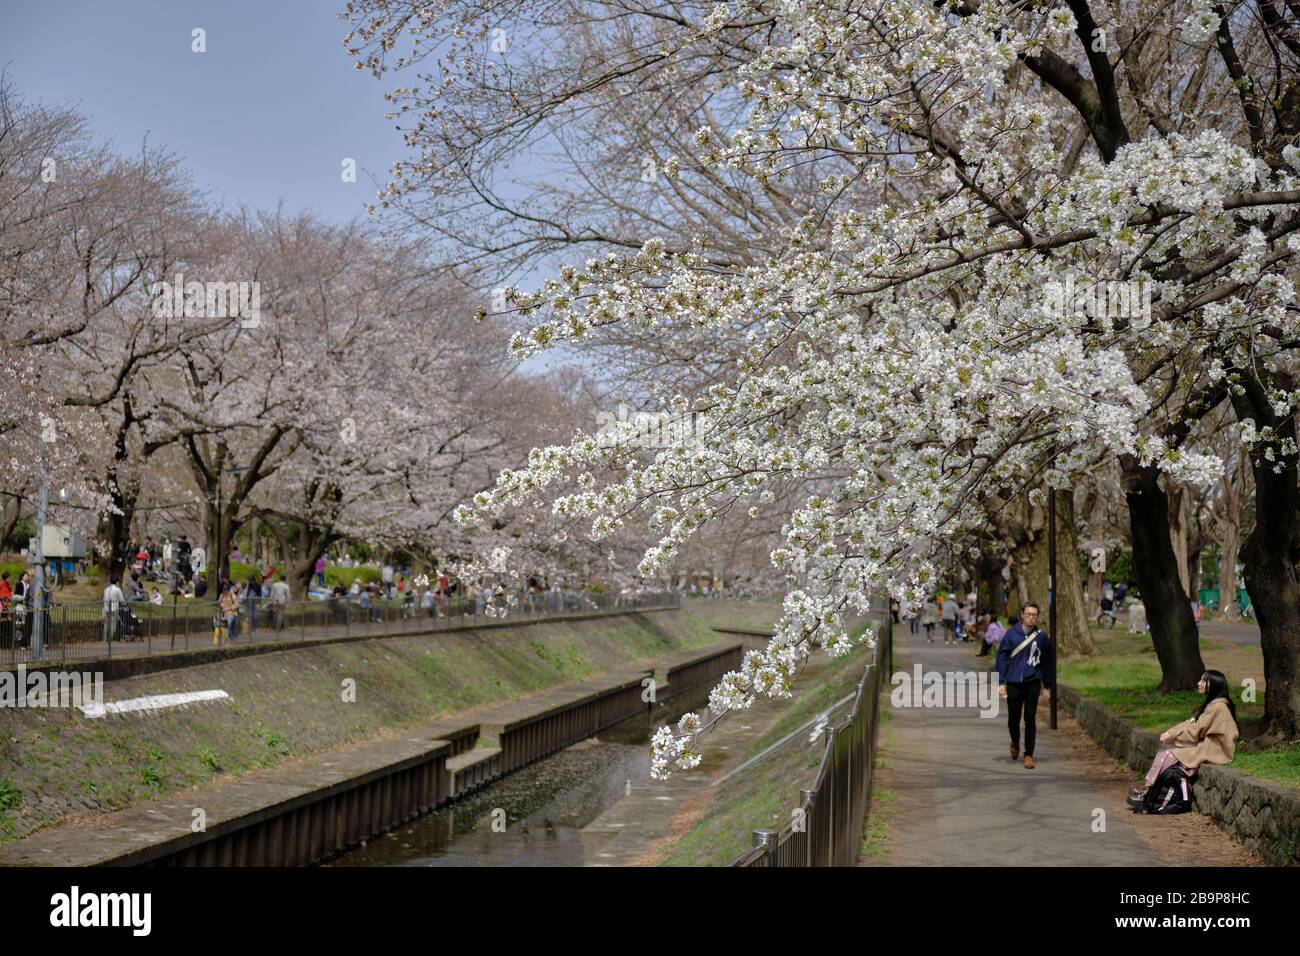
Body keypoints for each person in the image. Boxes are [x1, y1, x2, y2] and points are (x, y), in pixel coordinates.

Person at [1128, 671, 1238, 808]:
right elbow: (1192, 723)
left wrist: (1172, 735)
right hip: (1208, 745)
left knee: (1167, 754)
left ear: (1213, 685)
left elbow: (1196, 730)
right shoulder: (1215, 705)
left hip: (1214, 749)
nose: (1199, 683)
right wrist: (1171, 733)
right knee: (1167, 753)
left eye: (1203, 681)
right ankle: (1149, 792)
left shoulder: (1217, 707)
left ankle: (1148, 792)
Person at [996, 602, 1054, 769]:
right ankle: (1015, 741)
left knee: (1030, 718)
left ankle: (1029, 754)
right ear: (1022, 614)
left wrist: (1047, 686)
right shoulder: (1011, 634)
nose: (1031, 617)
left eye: (1034, 615)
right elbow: (1002, 658)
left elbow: (1047, 663)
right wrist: (1001, 681)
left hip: (1032, 681)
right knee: (1013, 719)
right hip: (1014, 682)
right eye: (1028, 614)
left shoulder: (1042, 637)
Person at [102, 577, 127, 644]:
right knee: (113, 624)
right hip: (114, 608)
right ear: (117, 582)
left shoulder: (106, 589)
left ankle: (104, 639)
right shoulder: (117, 589)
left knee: (106, 624)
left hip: (106, 608)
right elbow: (122, 600)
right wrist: (125, 605)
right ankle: (110, 639)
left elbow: (104, 598)